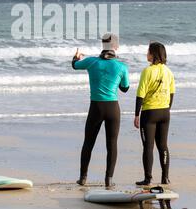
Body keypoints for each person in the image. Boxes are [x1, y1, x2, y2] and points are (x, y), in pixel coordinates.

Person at [72, 33, 129, 188]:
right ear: (116, 47)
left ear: (103, 45)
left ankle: (83, 178)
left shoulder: (91, 62)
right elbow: (125, 88)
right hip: (112, 108)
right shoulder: (121, 66)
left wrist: (76, 57)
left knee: (88, 143)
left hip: (96, 107)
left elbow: (75, 65)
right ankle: (108, 179)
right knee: (112, 144)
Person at [134, 42, 175, 186]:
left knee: (148, 146)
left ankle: (148, 178)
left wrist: (136, 114)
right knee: (163, 145)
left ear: (153, 54)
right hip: (165, 113)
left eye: (148, 51)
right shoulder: (169, 72)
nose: (147, 54)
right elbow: (171, 94)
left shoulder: (147, 71)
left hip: (149, 113)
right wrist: (166, 109)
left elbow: (140, 94)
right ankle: (165, 177)